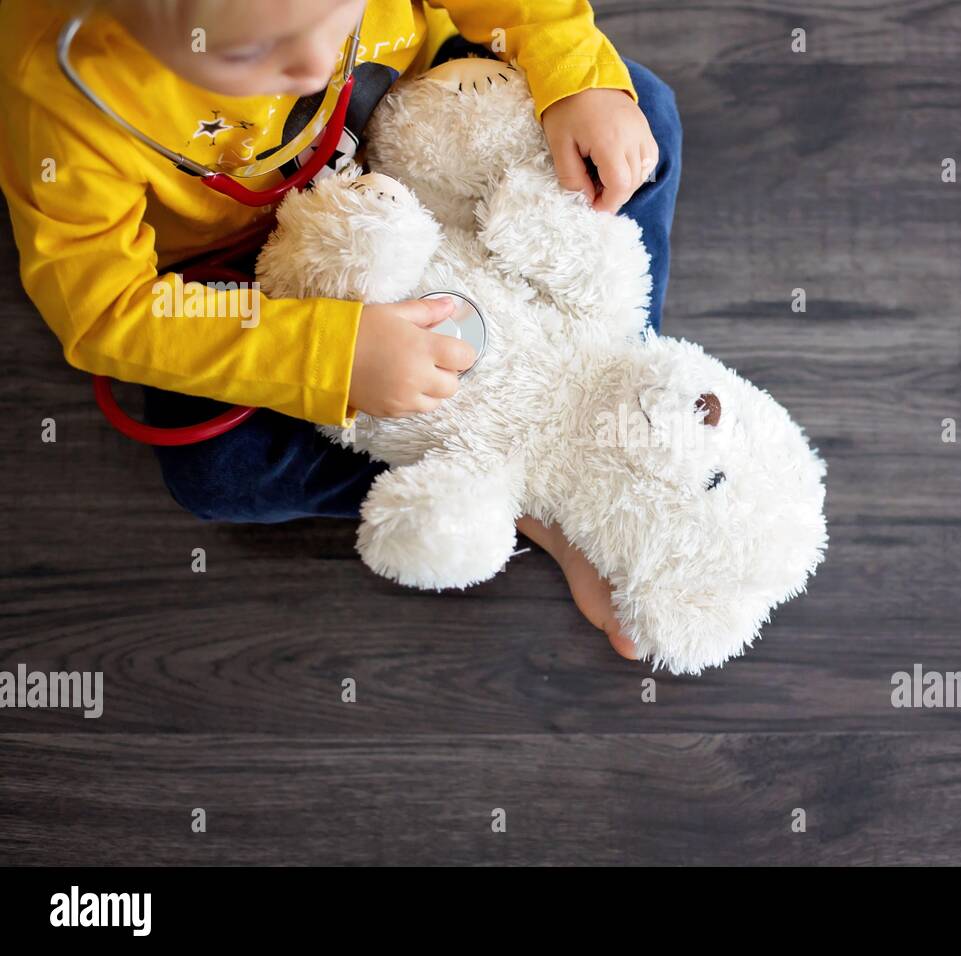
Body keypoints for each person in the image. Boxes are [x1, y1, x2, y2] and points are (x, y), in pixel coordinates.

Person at [0, 0, 682, 660]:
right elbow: (102, 310)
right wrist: (328, 356)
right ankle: (531, 487)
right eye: (247, 53)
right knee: (215, 471)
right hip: (258, 274)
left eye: (334, 16)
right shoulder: (64, 90)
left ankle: (603, 382)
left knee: (637, 111)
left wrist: (577, 78)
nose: (314, 64)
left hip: (426, 130)